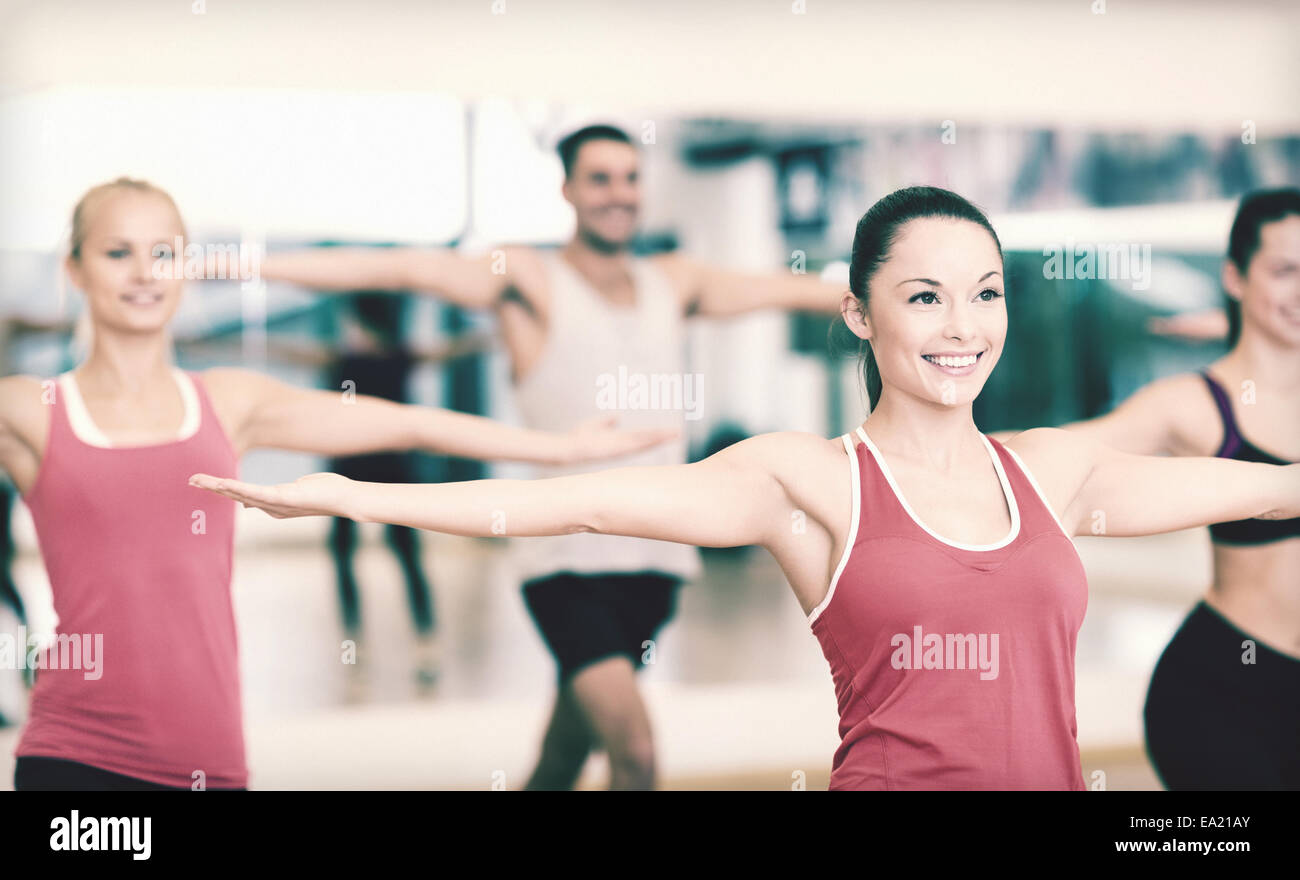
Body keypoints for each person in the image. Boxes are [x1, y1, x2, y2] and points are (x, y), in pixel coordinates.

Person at [193, 185, 1300, 791]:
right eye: (924, 298)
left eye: (984, 294)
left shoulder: (1054, 468)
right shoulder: (803, 481)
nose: (963, 328)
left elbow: (1260, 492)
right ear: (861, 317)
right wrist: (355, 498)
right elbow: (572, 505)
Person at [0, 177, 673, 791]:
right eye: (117, 252)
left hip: (208, 757)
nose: (144, 273)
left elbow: (409, 426)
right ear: (74, 270)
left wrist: (557, 446)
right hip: (73, 758)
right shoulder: (32, 410)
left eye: (164, 253)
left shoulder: (229, 402)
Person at [250, 124, 846, 790]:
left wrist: (901, 295)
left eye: (629, 177)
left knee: (564, 755)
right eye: (599, 178)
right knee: (636, 753)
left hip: (658, 559)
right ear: (566, 189)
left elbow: (794, 290)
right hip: (567, 560)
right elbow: (401, 268)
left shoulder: (672, 281)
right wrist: (243, 264)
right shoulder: (528, 276)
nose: (617, 194)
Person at [1002, 187, 1300, 790]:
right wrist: (921, 448)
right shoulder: (1192, 405)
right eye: (1285, 271)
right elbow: (1063, 454)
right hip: (1227, 689)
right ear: (1235, 277)